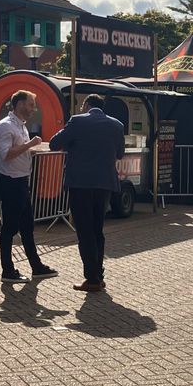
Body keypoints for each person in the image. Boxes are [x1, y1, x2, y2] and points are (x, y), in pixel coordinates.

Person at [49, 93, 125, 293]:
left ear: (86, 105)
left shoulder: (77, 121)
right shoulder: (116, 125)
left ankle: (91, 279)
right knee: (97, 230)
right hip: (105, 184)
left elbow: (54, 143)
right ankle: (98, 274)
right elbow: (119, 153)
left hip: (81, 184)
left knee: (84, 232)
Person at [0, 90, 58, 283]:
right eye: (31, 104)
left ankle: (36, 266)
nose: (33, 109)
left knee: (27, 227)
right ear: (19, 104)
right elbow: (6, 154)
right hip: (10, 181)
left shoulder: (21, 126)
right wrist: (30, 144)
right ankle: (7, 270)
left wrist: (34, 150)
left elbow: (20, 151)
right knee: (10, 227)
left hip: (21, 181)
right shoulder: (4, 126)